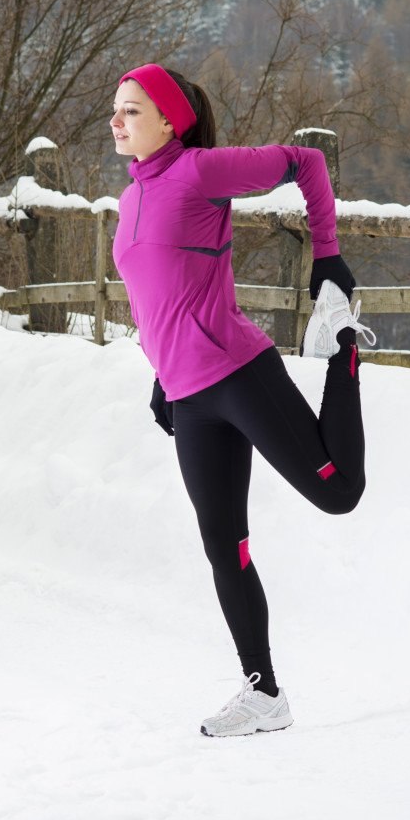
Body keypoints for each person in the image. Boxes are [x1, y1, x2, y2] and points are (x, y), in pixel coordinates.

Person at [110, 63, 375, 738]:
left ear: (172, 121)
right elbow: (156, 299)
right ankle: (264, 694)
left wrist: (327, 258)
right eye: (116, 110)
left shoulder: (198, 172)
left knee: (339, 492)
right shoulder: (130, 198)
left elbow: (306, 162)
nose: (117, 121)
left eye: (132, 110)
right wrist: (159, 372)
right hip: (190, 394)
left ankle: (344, 341)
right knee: (224, 546)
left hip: (236, 370)